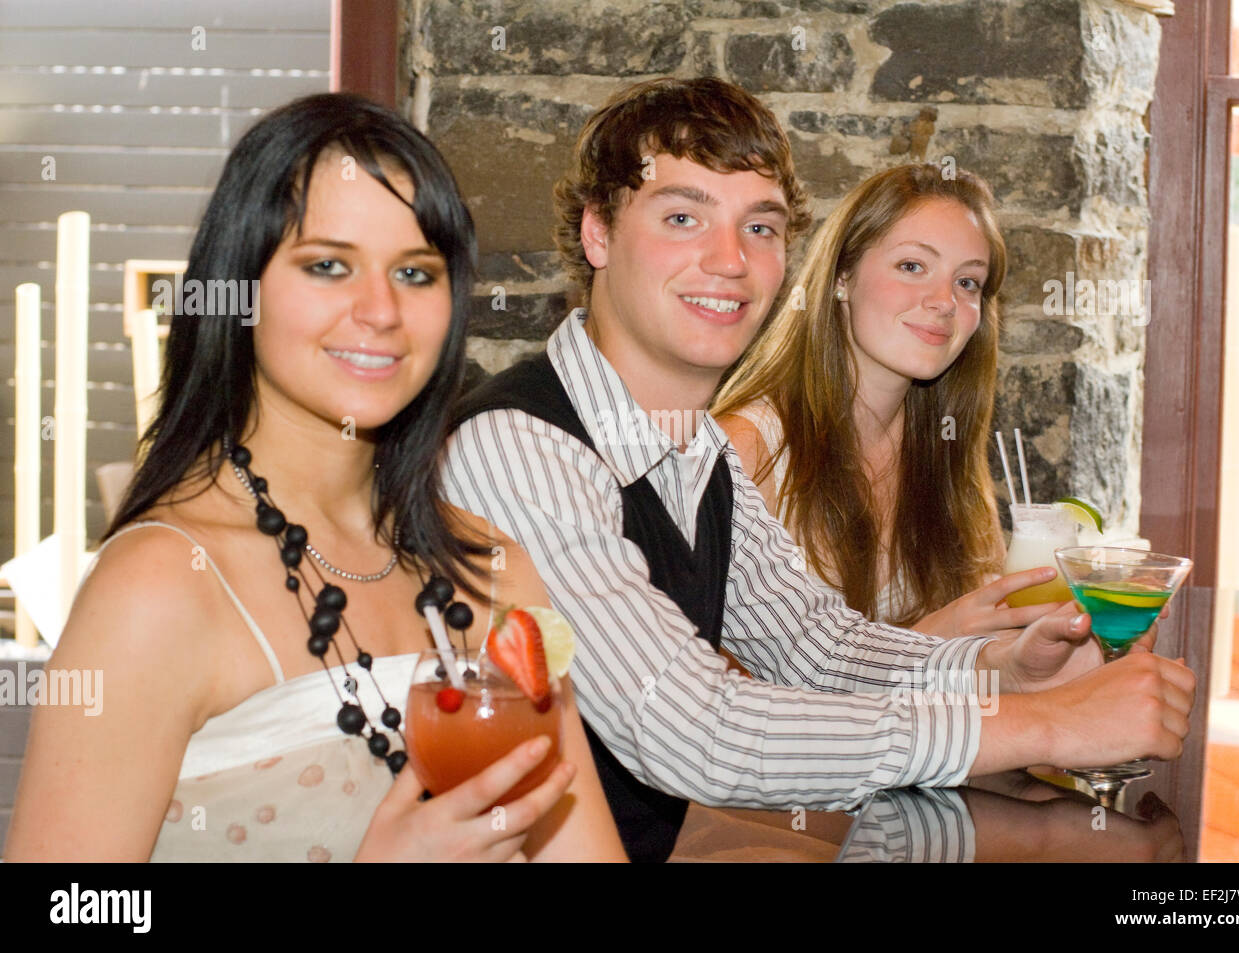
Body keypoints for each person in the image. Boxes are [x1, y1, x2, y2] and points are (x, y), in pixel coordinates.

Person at [441, 76, 1195, 863]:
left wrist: (1005, 667)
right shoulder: (518, 448)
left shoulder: (692, 447)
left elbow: (819, 647)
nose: (729, 259)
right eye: (682, 217)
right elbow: (696, 731)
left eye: (760, 226)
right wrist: (1050, 725)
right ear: (598, 234)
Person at [5, 94, 624, 863]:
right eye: (328, 265)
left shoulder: (499, 576)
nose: (381, 309)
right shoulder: (161, 586)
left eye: (415, 272)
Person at [713, 164, 1055, 638]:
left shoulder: (945, 446)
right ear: (841, 277)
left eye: (968, 282)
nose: (944, 301)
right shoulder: (747, 452)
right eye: (912, 266)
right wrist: (932, 641)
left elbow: (990, 649)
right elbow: (715, 689)